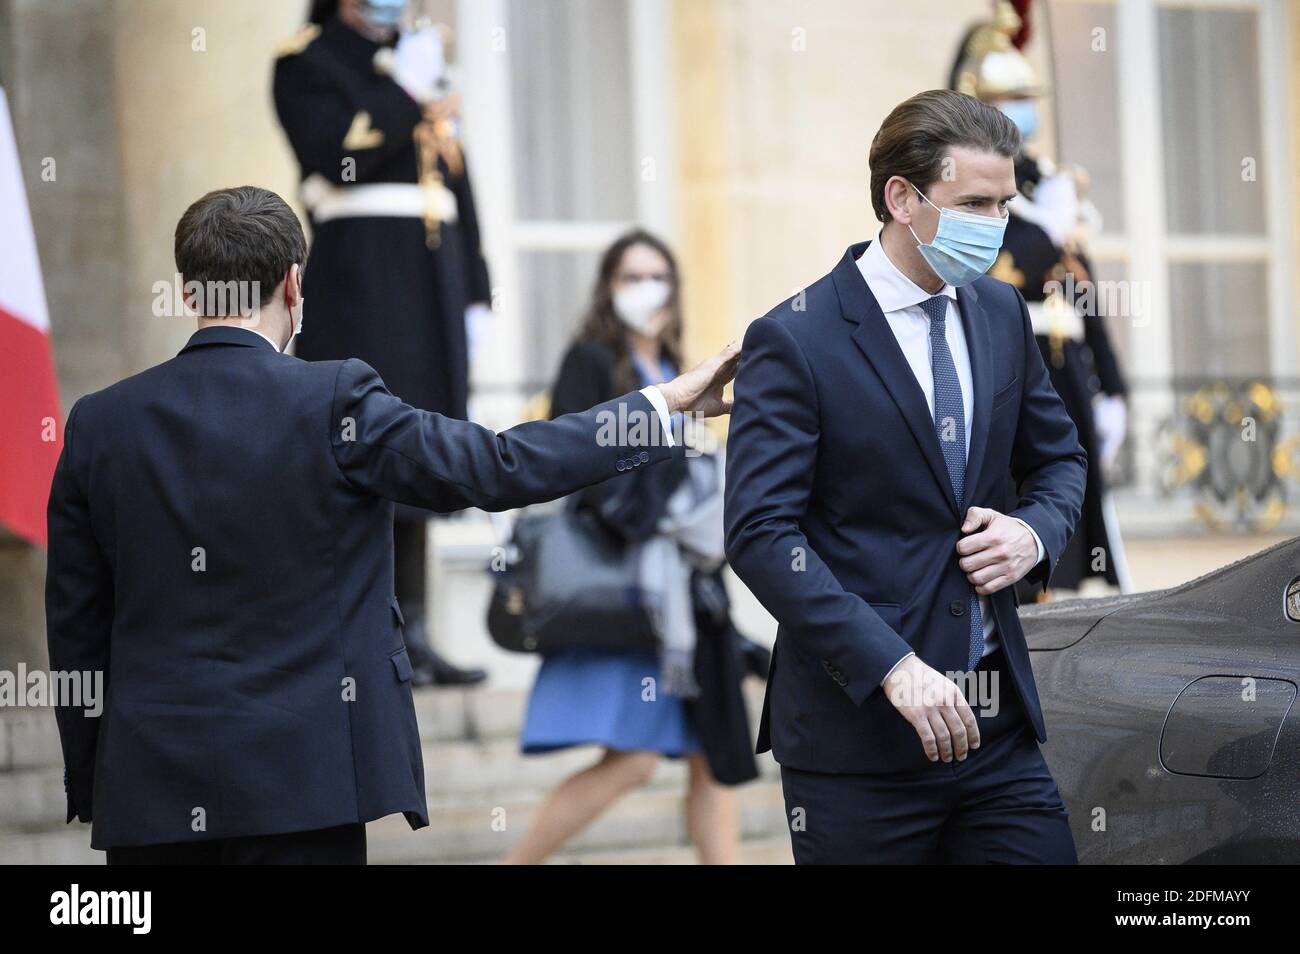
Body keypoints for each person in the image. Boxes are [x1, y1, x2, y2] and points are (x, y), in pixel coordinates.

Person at [44, 186, 739, 865]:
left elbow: (76, 623)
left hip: (151, 787)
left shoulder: (100, 423)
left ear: (190, 293)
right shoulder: (335, 398)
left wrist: (92, 775)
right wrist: (660, 408)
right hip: (307, 783)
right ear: (294, 284)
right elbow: (498, 467)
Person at [724, 90, 1087, 864]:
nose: (995, 225)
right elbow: (760, 534)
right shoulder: (795, 337)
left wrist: (1034, 533)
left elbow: (1059, 459)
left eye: (1005, 204)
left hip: (998, 737)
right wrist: (889, 664)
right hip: (856, 750)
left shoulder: (999, 312)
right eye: (974, 204)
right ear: (902, 198)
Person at [504, 231, 758, 865]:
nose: (647, 289)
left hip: (694, 593)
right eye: (631, 277)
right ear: (607, 289)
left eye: (658, 275)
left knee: (714, 758)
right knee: (636, 760)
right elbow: (572, 460)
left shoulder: (678, 367)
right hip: (629, 583)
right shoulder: (589, 360)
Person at [273, 0, 491, 685]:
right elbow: (339, 156)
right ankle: (374, 632)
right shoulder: (306, 62)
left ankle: (416, 635)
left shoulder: (421, 56)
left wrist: (477, 287)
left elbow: (457, 181)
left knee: (425, 445)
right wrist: (402, 92)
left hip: (433, 277)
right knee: (369, 445)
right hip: (362, 277)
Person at [951, 0, 1131, 595]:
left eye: (1028, 97)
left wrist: (1113, 385)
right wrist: (1039, 228)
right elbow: (990, 272)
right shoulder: (972, 183)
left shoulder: (1047, 181)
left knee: (1078, 531)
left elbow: (1081, 292)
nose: (1023, 110)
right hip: (1007, 370)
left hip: (1066, 375)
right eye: (1009, 99)